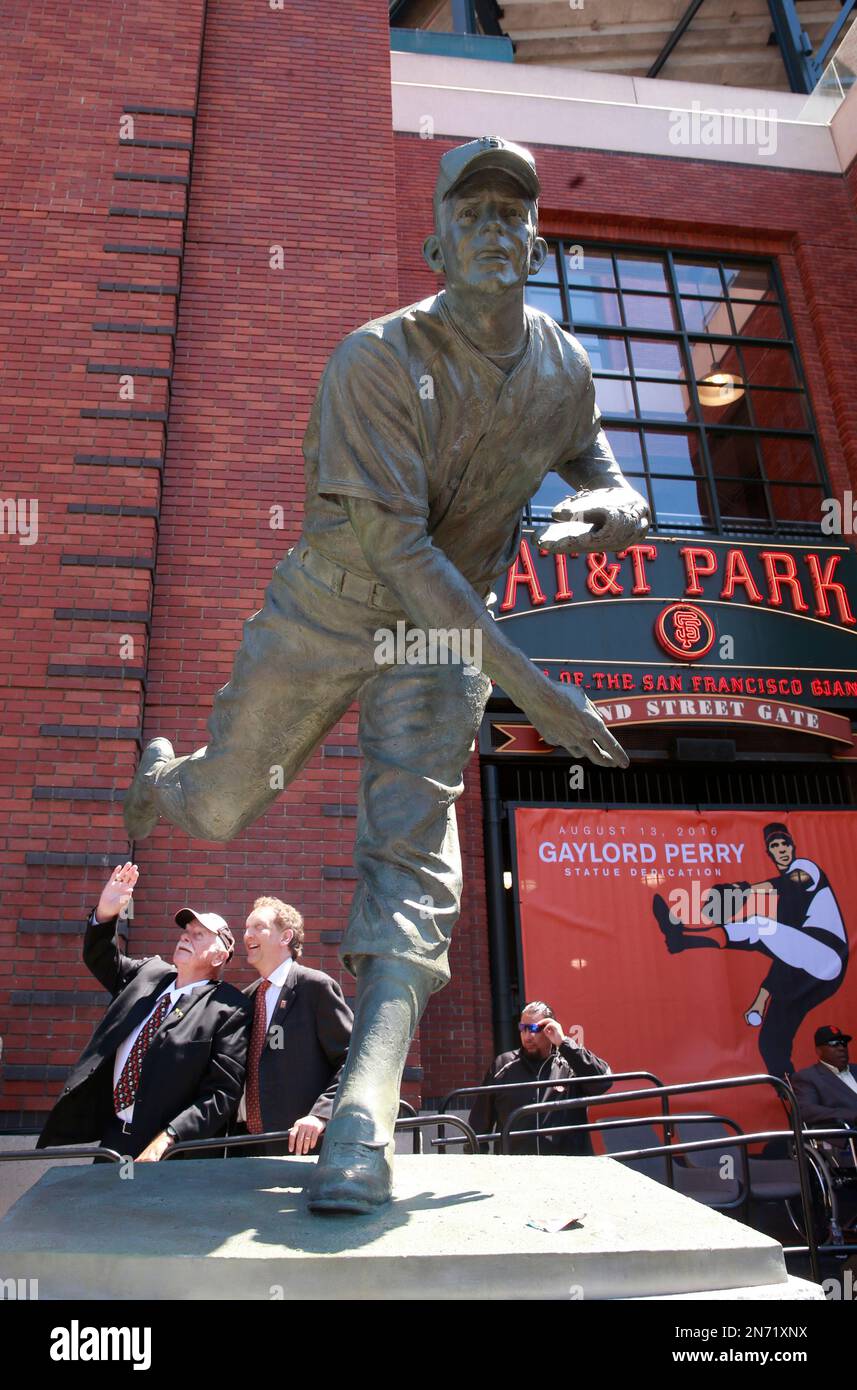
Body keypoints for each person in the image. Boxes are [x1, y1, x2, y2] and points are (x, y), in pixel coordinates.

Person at [122, 136, 649, 1211]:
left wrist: (612, 504)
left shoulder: (565, 367)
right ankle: (165, 778)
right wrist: (532, 689)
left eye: (514, 215)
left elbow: (596, 460)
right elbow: (403, 553)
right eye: (474, 215)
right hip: (331, 608)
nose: (496, 230)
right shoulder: (373, 358)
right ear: (435, 242)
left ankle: (361, 1111)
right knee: (222, 811)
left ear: (535, 244)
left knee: (413, 854)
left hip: (438, 645)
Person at [37, 862, 251, 1160]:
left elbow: (221, 1093)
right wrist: (107, 910)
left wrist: (169, 1139)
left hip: (173, 1153)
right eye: (186, 931)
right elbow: (101, 956)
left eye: (199, 934)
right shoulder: (148, 973)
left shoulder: (229, 1007)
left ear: (220, 954)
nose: (185, 936)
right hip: (114, 1140)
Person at [653, 822, 848, 1076]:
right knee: (770, 1043)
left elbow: (792, 883)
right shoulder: (784, 911)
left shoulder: (806, 868)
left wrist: (743, 890)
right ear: (769, 851)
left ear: (793, 845)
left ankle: (684, 939)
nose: (781, 849)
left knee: (758, 925)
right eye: (774, 845)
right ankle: (795, 1101)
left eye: (784, 843)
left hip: (829, 952)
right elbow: (784, 961)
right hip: (811, 974)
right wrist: (761, 1000)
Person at [230, 896, 353, 1156]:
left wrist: (320, 1115)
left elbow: (352, 1058)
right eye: (246, 928)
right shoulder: (246, 999)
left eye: (258, 927)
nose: (247, 935)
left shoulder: (314, 987)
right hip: (245, 1146)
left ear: (285, 937)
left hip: (300, 1147)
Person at [468, 1001, 612, 1155]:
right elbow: (478, 1125)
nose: (528, 1036)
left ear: (550, 1029)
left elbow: (603, 1082)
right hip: (516, 1170)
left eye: (534, 1029)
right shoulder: (503, 1065)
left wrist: (564, 1043)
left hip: (566, 1169)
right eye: (523, 1028)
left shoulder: (570, 1064)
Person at [791, 1026, 857, 1159]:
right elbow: (807, 1111)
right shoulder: (808, 1077)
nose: (841, 1048)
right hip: (847, 1137)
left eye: (843, 1043)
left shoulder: (855, 1070)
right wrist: (852, 1115)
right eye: (834, 1044)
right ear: (819, 1050)